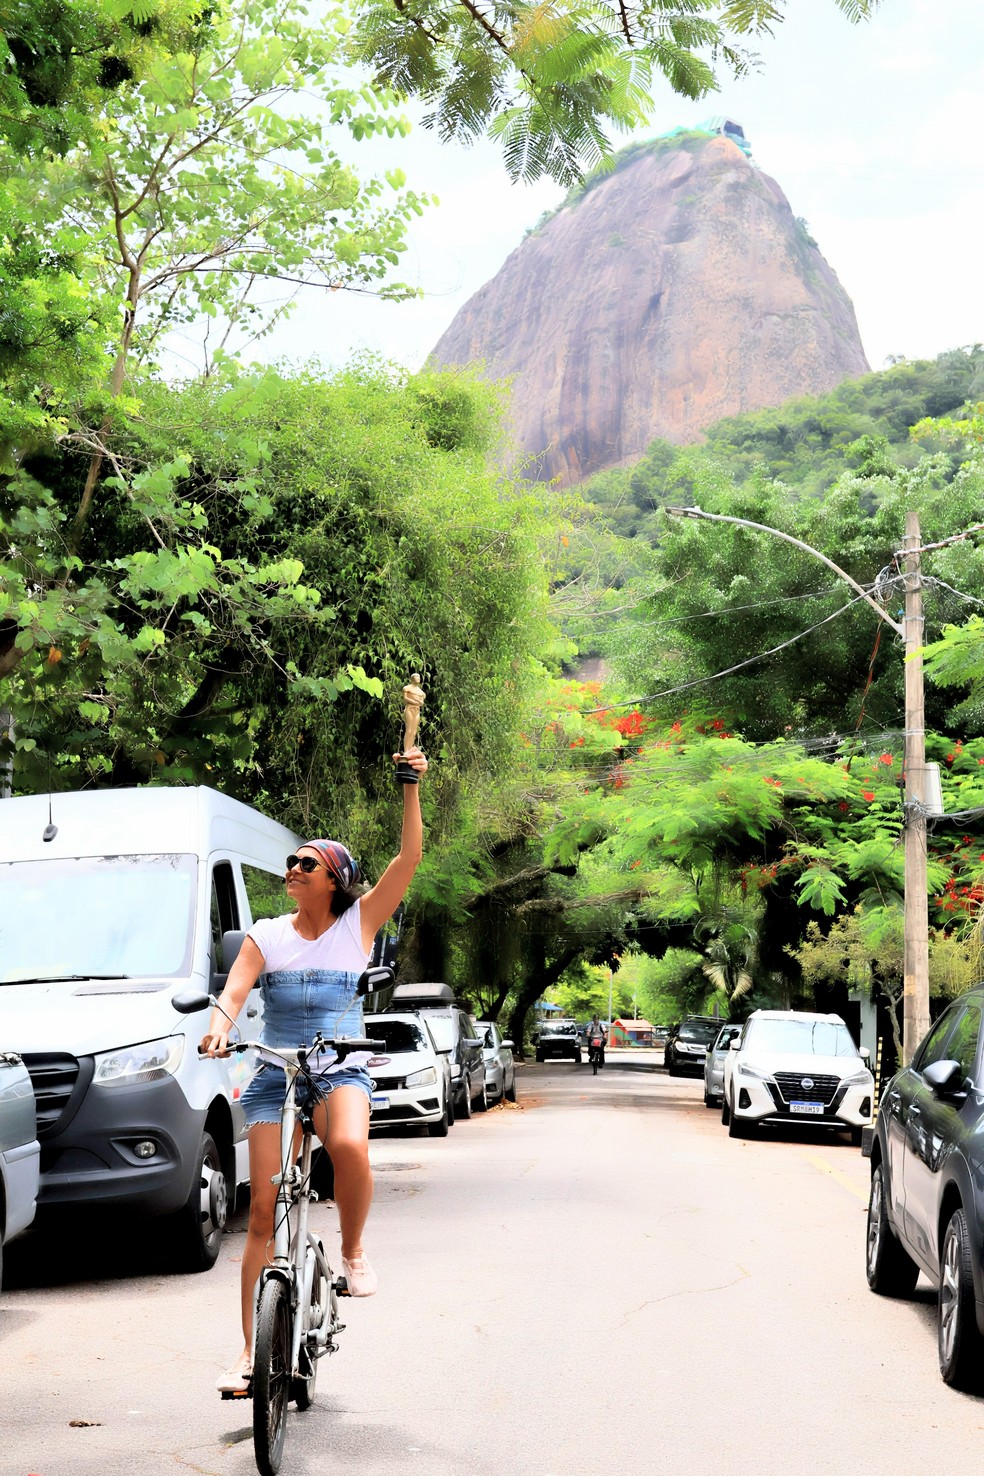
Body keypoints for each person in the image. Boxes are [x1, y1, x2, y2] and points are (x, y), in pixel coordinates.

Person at [203, 745, 428, 1394]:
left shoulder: (358, 924)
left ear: (334, 879)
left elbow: (408, 859)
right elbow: (235, 989)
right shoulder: (267, 933)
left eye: (307, 863)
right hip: (277, 1071)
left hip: (338, 1067)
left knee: (350, 1146)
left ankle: (353, 1251)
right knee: (262, 1210)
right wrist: (220, 1026)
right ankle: (251, 1354)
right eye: (292, 862)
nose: (293, 869)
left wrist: (410, 785)